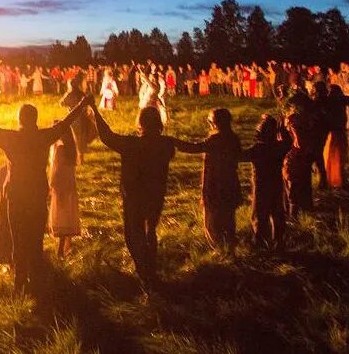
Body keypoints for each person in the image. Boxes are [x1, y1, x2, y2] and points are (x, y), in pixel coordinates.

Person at [0, 94, 90, 302]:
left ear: (20, 120)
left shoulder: (10, 138)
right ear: (35, 119)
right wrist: (83, 104)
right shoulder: (44, 136)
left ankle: (20, 286)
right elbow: (67, 122)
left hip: (17, 197)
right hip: (37, 197)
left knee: (18, 241)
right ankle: (36, 284)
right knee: (35, 242)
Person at [89, 102, 198, 293]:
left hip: (133, 196)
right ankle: (150, 269)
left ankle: (144, 272)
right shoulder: (166, 143)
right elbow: (193, 147)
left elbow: (107, 136)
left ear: (141, 123)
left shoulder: (132, 144)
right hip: (156, 194)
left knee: (134, 234)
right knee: (150, 231)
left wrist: (95, 110)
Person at [178, 108, 242, 252]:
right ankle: (230, 249)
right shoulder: (233, 138)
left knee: (212, 222)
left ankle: (221, 251)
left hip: (215, 186)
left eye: (210, 121)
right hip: (230, 183)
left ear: (215, 123)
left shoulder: (215, 139)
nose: (209, 124)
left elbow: (195, 148)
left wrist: (174, 142)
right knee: (228, 219)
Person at [241, 114, 292, 249]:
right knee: (278, 214)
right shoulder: (279, 147)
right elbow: (288, 142)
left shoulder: (257, 149)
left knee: (259, 215)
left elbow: (239, 156)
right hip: (276, 185)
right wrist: (282, 130)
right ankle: (279, 241)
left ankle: (259, 242)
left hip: (261, 186)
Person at [48, 123, 80, 259]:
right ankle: (66, 247)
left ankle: (61, 250)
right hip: (70, 186)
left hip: (61, 185)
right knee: (67, 215)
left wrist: (51, 185)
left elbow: (56, 169)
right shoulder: (71, 149)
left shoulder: (60, 149)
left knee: (60, 215)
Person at [283, 112, 314, 218]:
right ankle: (299, 211)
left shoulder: (296, 129)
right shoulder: (304, 130)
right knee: (296, 187)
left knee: (293, 190)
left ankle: (293, 216)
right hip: (299, 161)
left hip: (295, 161)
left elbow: (299, 144)